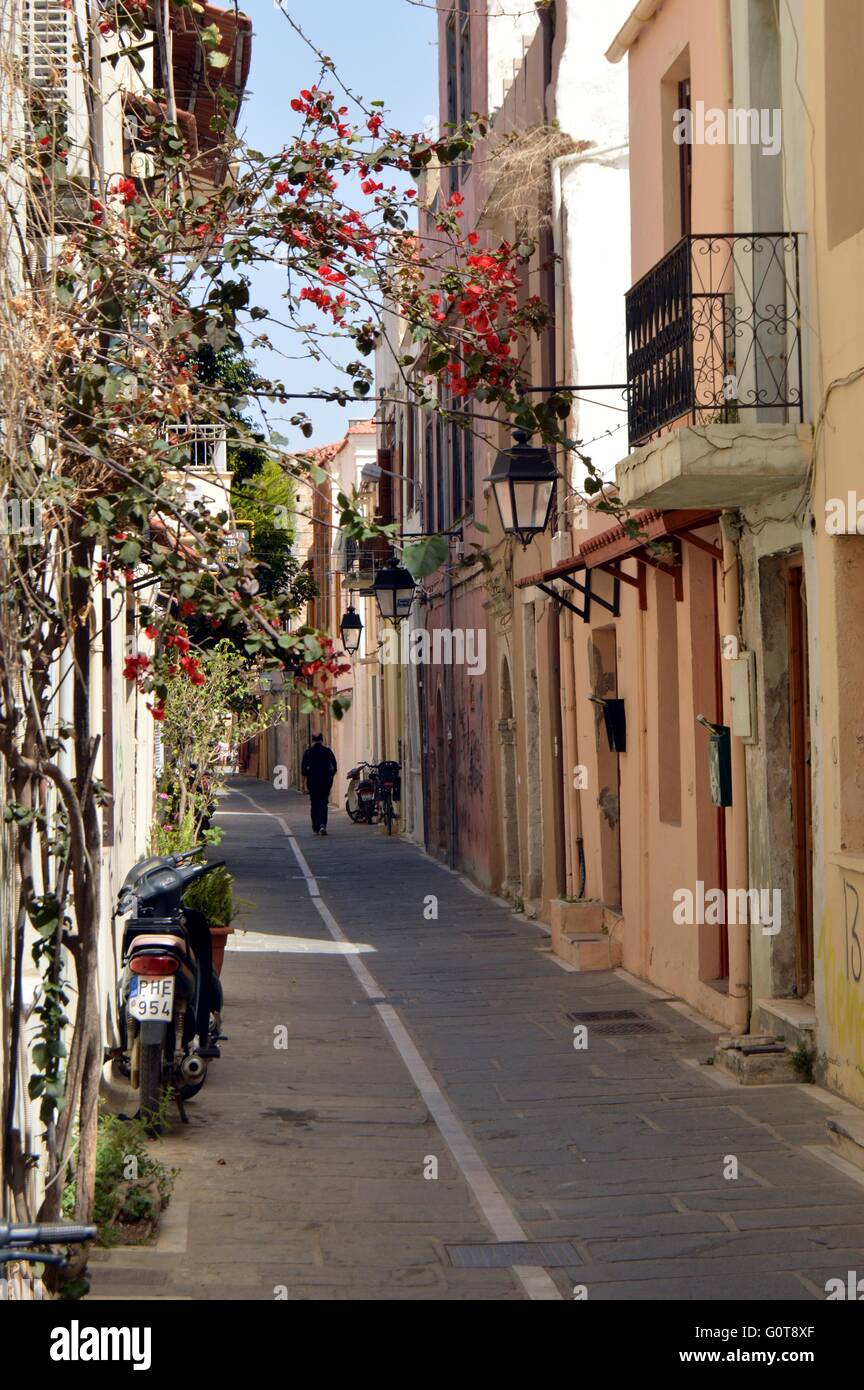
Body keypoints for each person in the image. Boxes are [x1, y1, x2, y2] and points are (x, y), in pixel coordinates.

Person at [301, 733, 338, 835]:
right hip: (325, 782)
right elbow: (334, 767)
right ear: (322, 740)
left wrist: (302, 784)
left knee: (314, 803)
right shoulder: (327, 751)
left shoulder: (308, 752)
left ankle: (316, 826)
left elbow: (303, 770)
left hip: (312, 782)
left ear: (313, 741)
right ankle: (322, 825)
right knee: (323, 803)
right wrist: (330, 777)